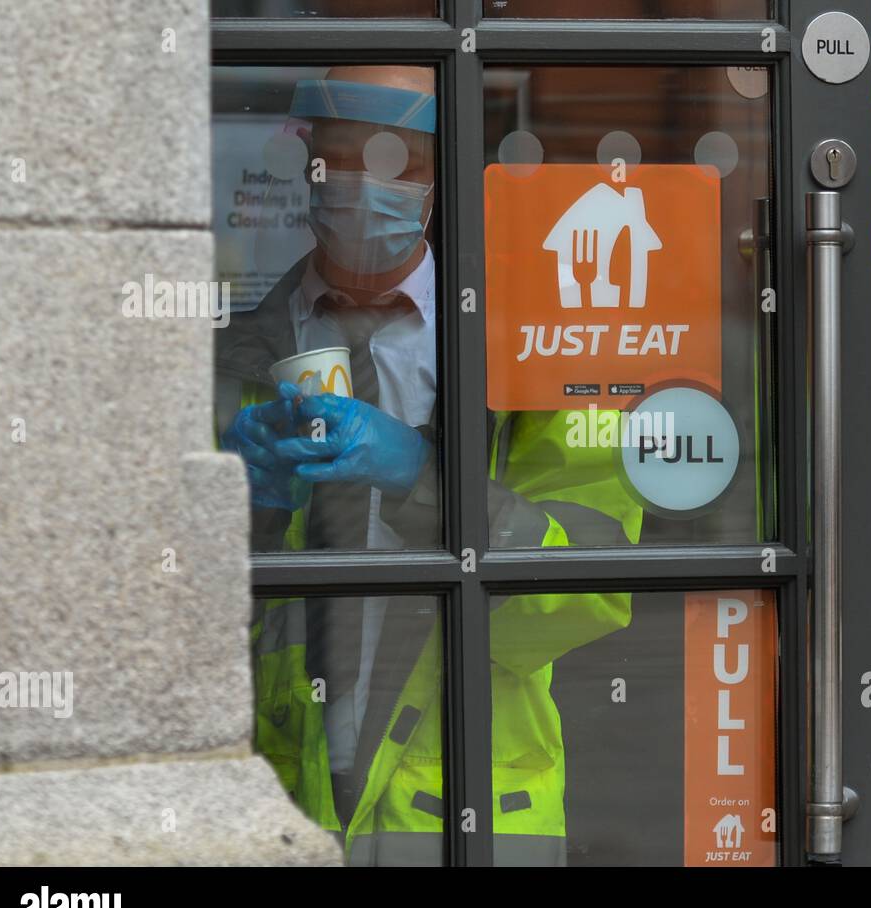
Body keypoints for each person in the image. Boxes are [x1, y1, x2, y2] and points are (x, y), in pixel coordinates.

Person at [215, 65, 642, 865]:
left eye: (389, 160)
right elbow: (162, 611)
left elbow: (592, 590)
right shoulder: (231, 354)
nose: (353, 183)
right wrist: (239, 509)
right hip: (268, 793)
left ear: (441, 179)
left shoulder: (534, 351)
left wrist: (421, 477)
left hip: (465, 804)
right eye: (333, 157)